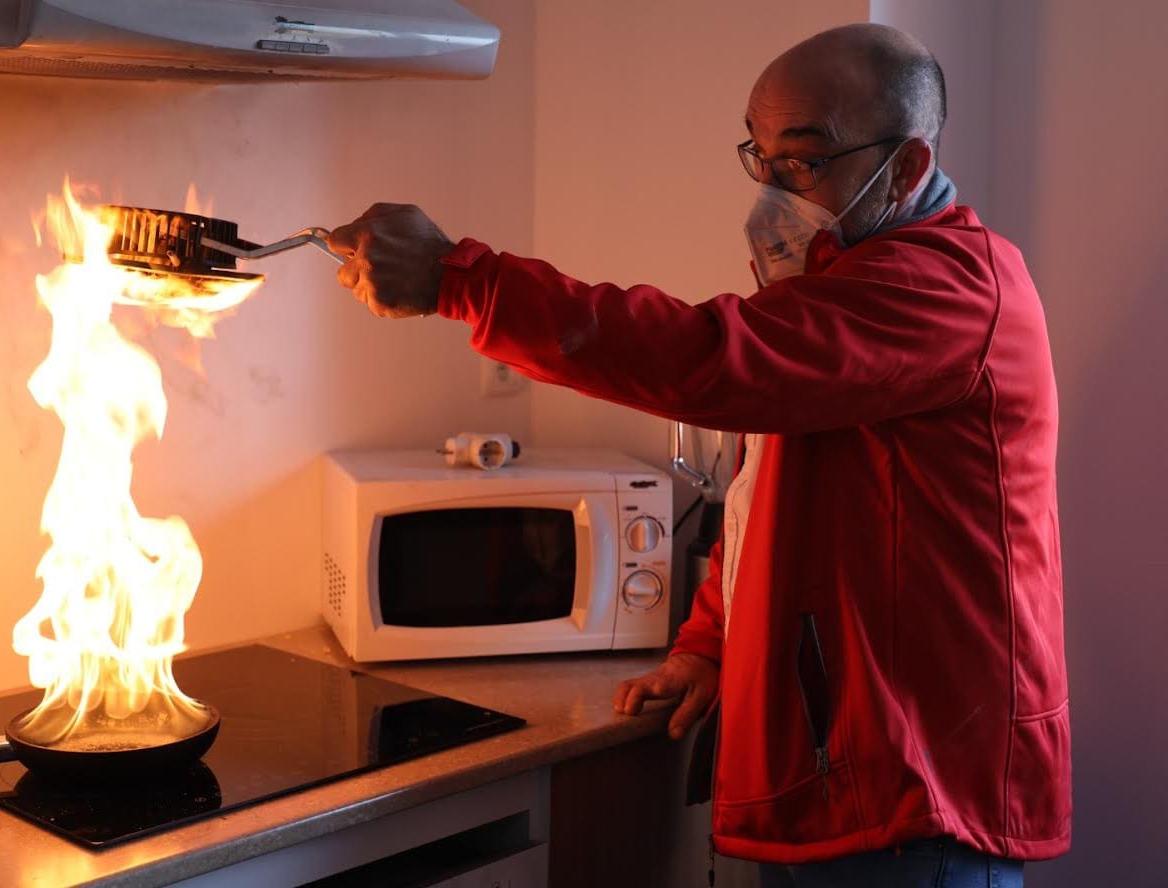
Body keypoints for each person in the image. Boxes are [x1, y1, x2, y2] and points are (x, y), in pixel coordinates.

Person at [327, 22, 1068, 888]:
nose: (772, 189)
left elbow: (707, 361)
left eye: (802, 160)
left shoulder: (945, 287)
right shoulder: (840, 288)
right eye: (758, 157)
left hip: (913, 796)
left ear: (902, 169)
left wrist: (465, 280)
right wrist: (709, 644)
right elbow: (773, 494)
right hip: (841, 772)